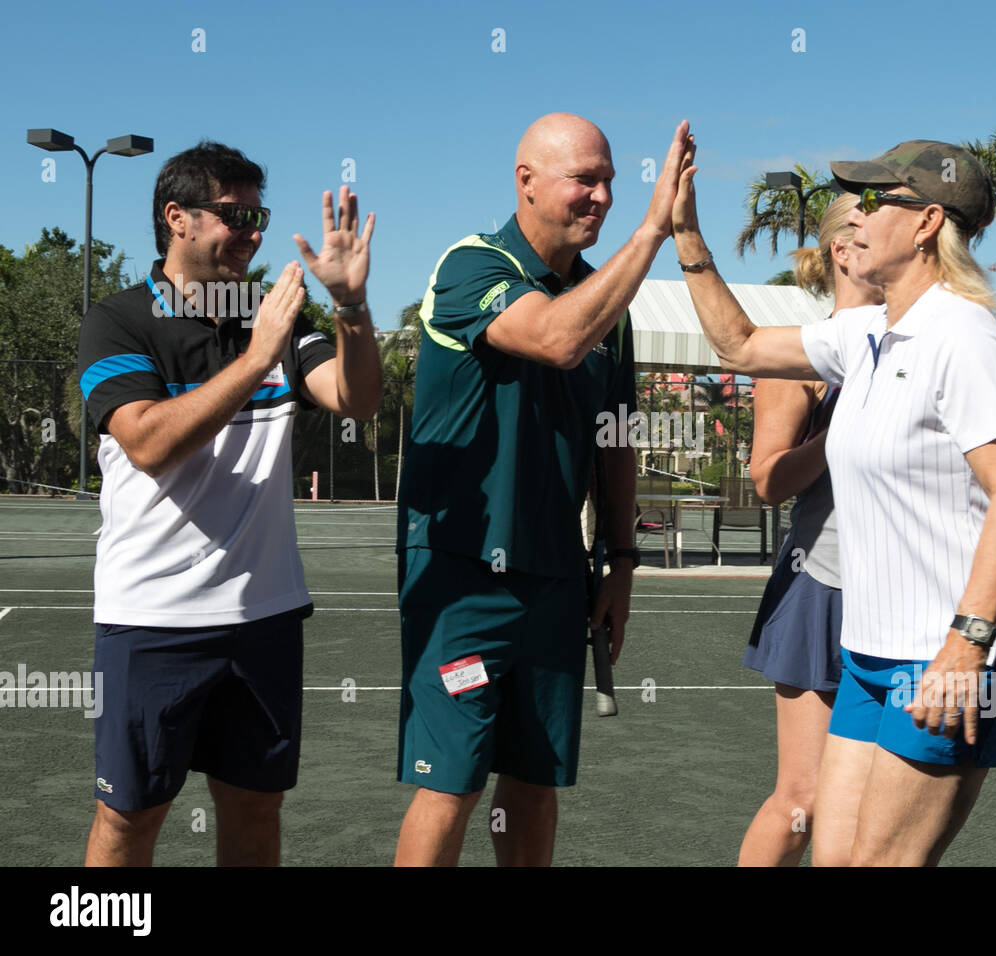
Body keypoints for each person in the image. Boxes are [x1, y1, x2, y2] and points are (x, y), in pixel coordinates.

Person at [672, 136, 996, 866]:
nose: (855, 219)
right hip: (872, 655)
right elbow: (740, 345)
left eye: (876, 201)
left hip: (945, 658)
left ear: (927, 222)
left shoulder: (964, 337)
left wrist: (964, 648)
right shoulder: (866, 333)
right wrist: (686, 235)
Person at [393, 114, 691, 867]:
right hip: (463, 580)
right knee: (451, 784)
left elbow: (616, 440)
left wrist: (621, 563)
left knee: (534, 785)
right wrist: (654, 232)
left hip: (559, 577)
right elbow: (556, 337)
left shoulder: (605, 303)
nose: (601, 197)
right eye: (583, 180)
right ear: (524, 181)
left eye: (611, 183)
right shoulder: (471, 265)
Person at [76, 141, 381, 866]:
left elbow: (358, 399)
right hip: (152, 620)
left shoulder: (270, 316)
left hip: (263, 617)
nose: (251, 232)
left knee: (254, 812)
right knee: (129, 818)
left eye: (258, 216)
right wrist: (256, 358)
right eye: (233, 215)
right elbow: (148, 442)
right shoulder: (118, 321)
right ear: (176, 218)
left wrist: (350, 304)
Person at [738, 193, 884, 866]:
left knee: (879, 805)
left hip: (900, 590)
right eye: (871, 218)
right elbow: (766, 481)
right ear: (844, 250)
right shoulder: (798, 357)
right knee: (805, 800)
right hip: (818, 589)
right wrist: (838, 429)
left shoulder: (926, 343)